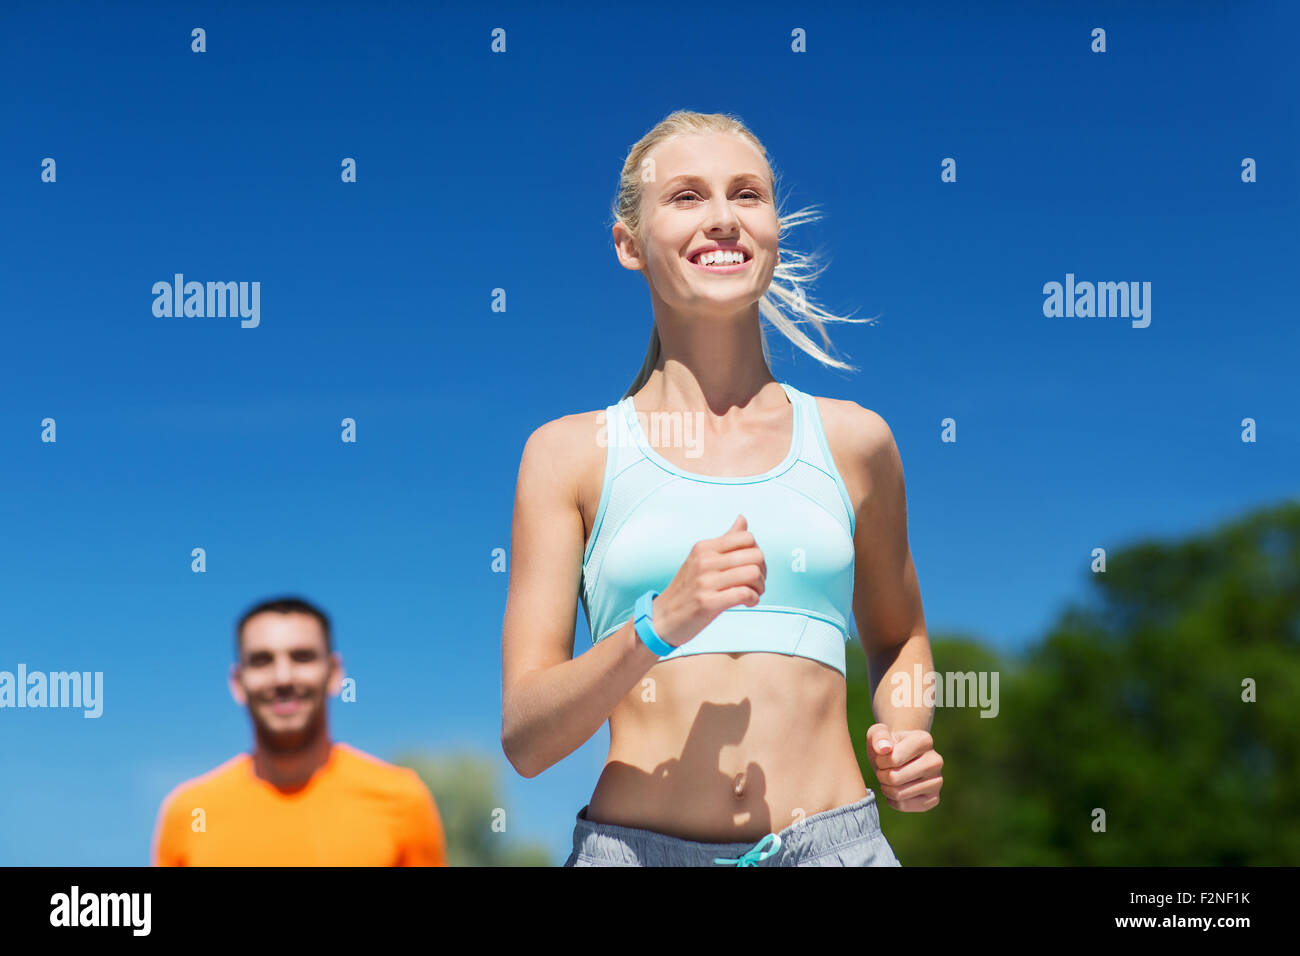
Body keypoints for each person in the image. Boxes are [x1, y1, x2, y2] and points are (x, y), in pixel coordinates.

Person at [501, 110, 944, 867]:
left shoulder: (856, 441)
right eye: (686, 197)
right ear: (628, 243)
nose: (723, 219)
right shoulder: (568, 454)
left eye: (747, 195)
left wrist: (909, 735)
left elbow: (898, 637)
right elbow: (528, 739)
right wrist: (658, 623)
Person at [152, 596, 448, 866]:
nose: (283, 678)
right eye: (262, 660)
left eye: (302, 657)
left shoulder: (403, 800)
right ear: (238, 682)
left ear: (334, 673)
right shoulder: (188, 813)